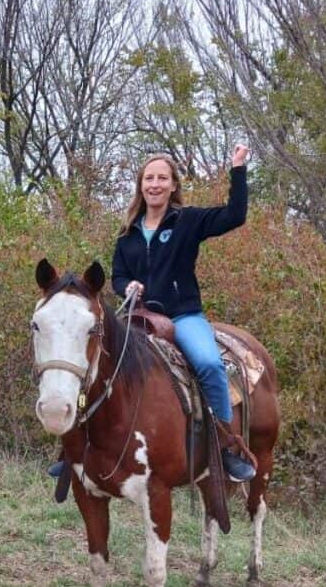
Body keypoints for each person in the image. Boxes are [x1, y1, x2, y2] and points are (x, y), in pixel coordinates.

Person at [109, 145, 256, 481]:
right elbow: (117, 275)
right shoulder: (127, 232)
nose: (155, 184)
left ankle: (225, 446)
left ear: (173, 185)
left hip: (182, 317)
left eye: (162, 178)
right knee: (93, 356)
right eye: (149, 178)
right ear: (140, 185)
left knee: (208, 364)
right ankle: (76, 448)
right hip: (138, 318)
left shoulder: (187, 220)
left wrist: (237, 169)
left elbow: (235, 215)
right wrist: (127, 286)